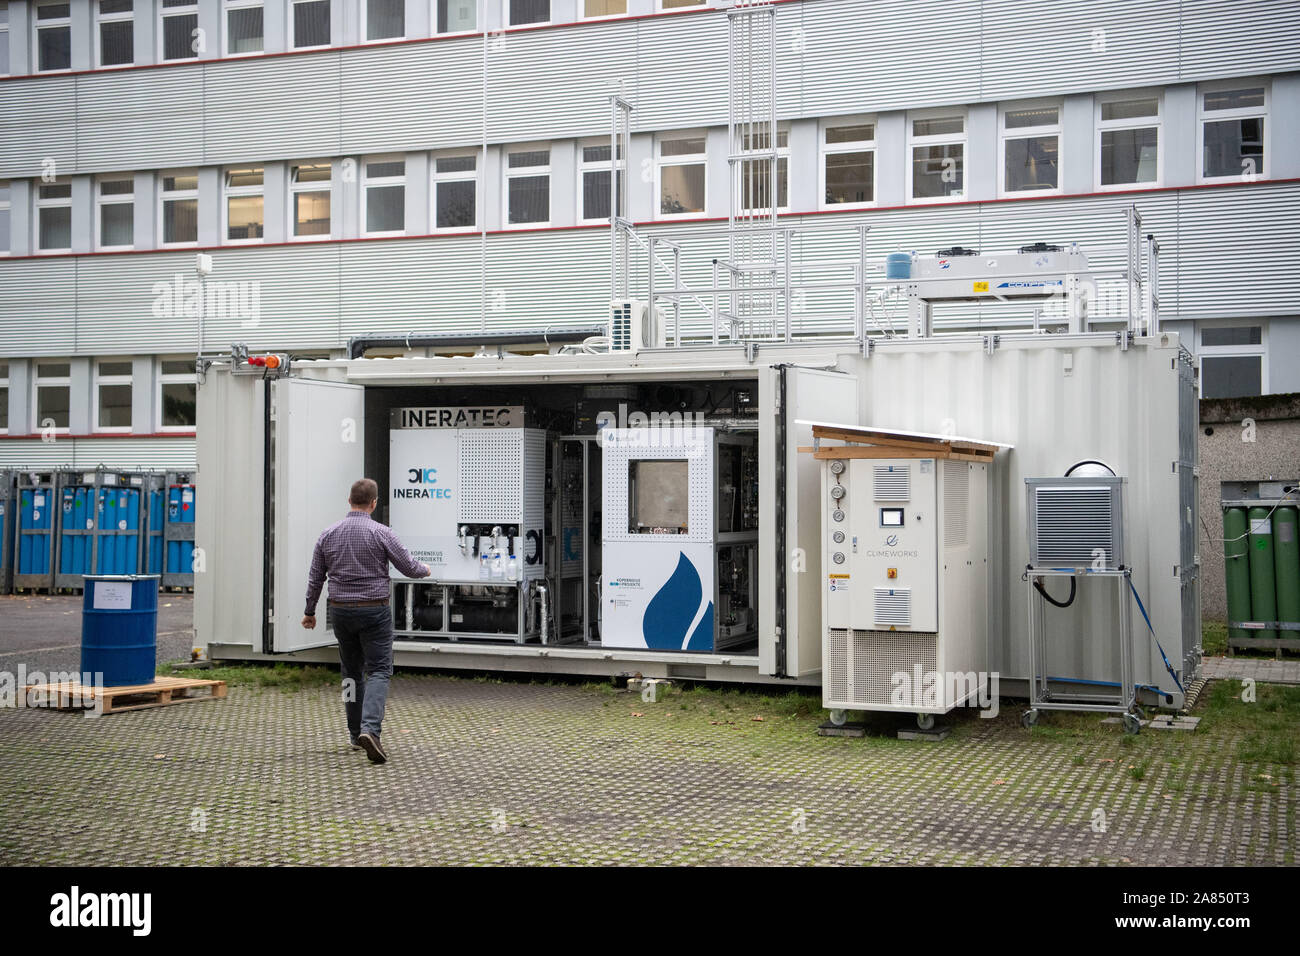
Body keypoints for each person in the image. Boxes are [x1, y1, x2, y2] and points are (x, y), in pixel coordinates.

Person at [303, 478, 430, 764]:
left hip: (341, 612)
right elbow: (409, 567)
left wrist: (309, 611)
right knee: (380, 671)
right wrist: (426, 569)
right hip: (374, 611)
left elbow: (315, 577)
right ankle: (370, 730)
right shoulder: (382, 532)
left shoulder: (328, 534)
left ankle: (353, 732)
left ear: (349, 501)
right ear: (373, 503)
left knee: (351, 672)